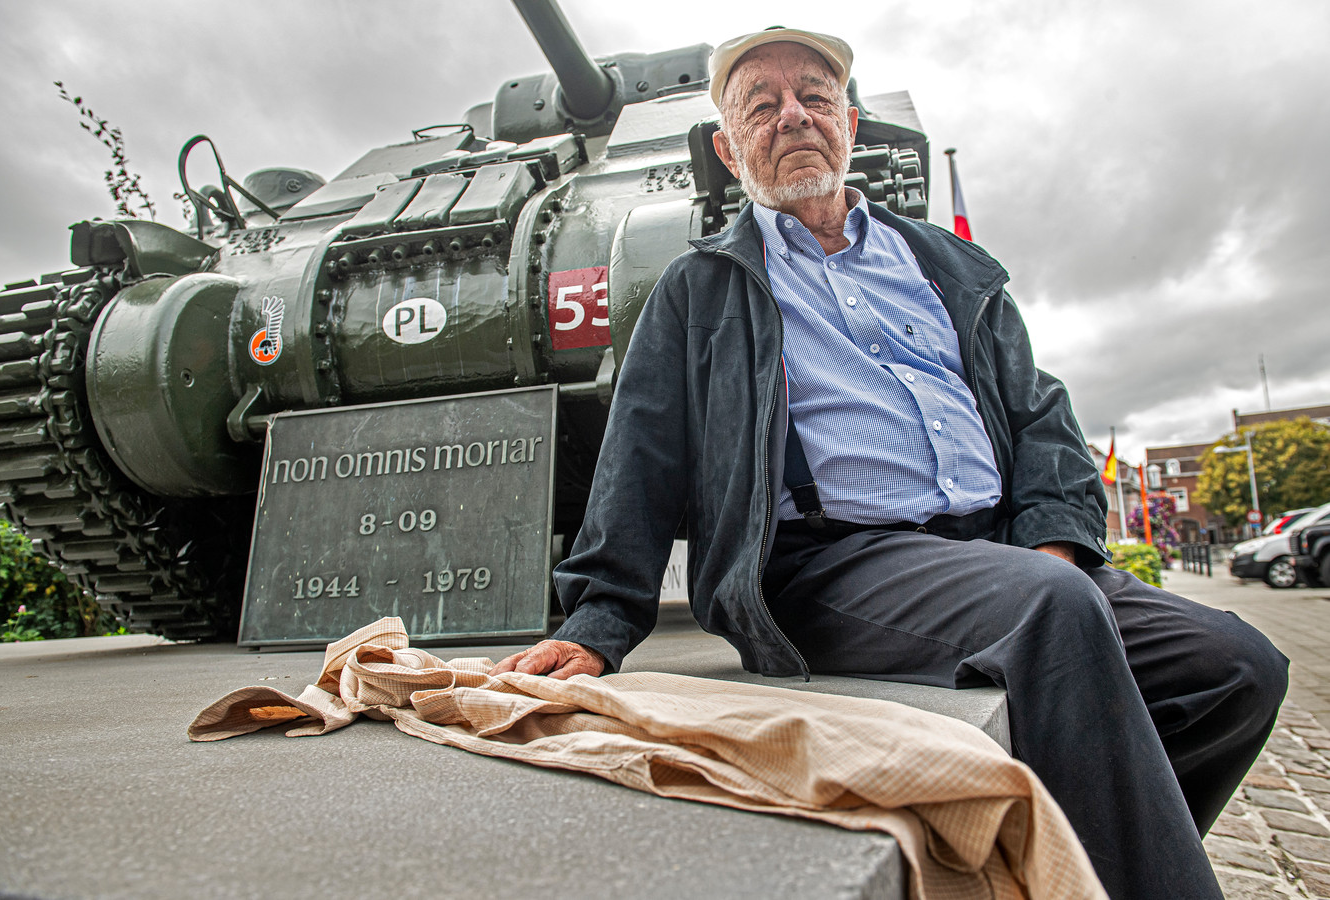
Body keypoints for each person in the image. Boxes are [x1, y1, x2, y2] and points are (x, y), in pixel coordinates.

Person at [491, 26, 1287, 899]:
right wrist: (596, 623)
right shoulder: (699, 289)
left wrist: (1051, 542)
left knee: (1234, 666)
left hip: (1002, 554)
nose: (791, 116)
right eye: (761, 106)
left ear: (849, 123)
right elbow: (640, 456)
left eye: (814, 98)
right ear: (728, 147)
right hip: (833, 563)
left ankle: (1052, 866)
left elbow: (1041, 415)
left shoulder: (949, 265)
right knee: (1047, 611)